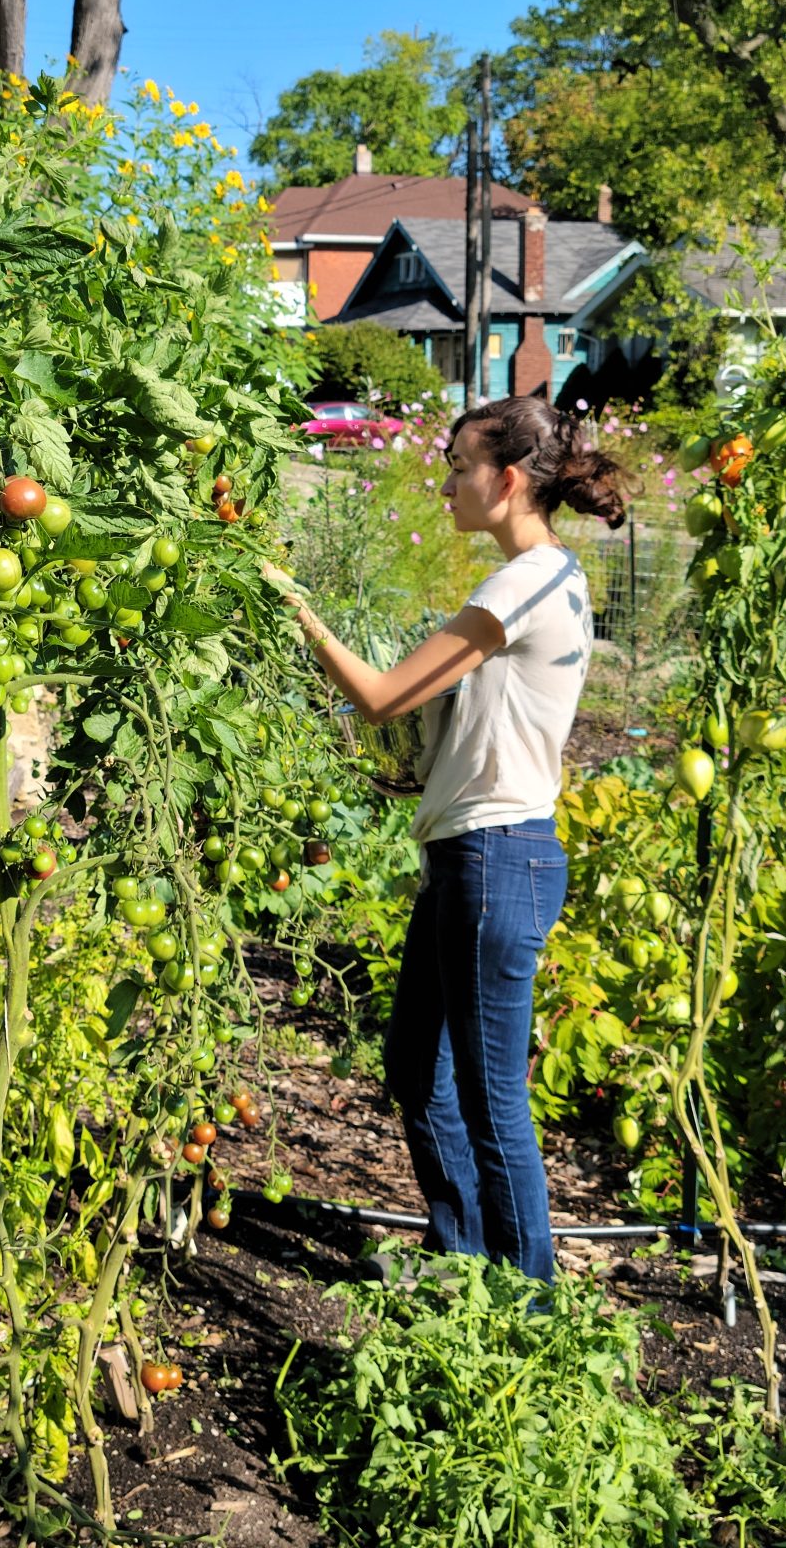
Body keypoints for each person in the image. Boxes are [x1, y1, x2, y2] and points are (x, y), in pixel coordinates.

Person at [266, 393, 622, 1279]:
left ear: (505, 481)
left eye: (458, 469)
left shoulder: (523, 581)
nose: (446, 487)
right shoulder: (551, 575)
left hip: (498, 860)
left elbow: (384, 695)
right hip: (472, 855)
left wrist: (301, 618)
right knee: (419, 1073)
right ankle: (462, 1265)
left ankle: (528, 1301)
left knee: (491, 1098)